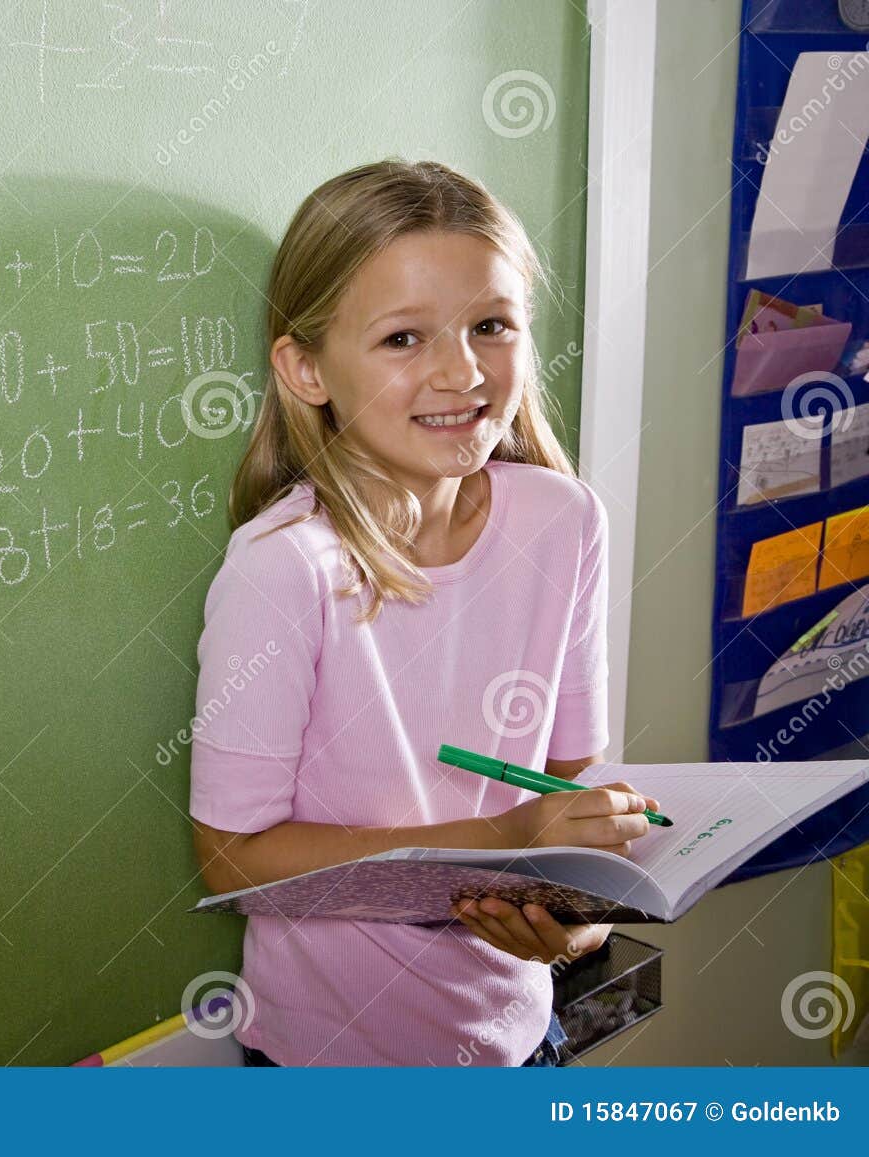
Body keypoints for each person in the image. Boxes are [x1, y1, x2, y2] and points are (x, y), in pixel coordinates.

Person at [188, 158, 660, 1067]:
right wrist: (501, 841)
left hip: (524, 1039)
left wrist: (577, 931)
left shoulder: (564, 521)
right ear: (307, 367)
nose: (461, 371)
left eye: (491, 325)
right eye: (404, 339)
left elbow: (568, 797)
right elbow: (235, 861)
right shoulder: (285, 568)